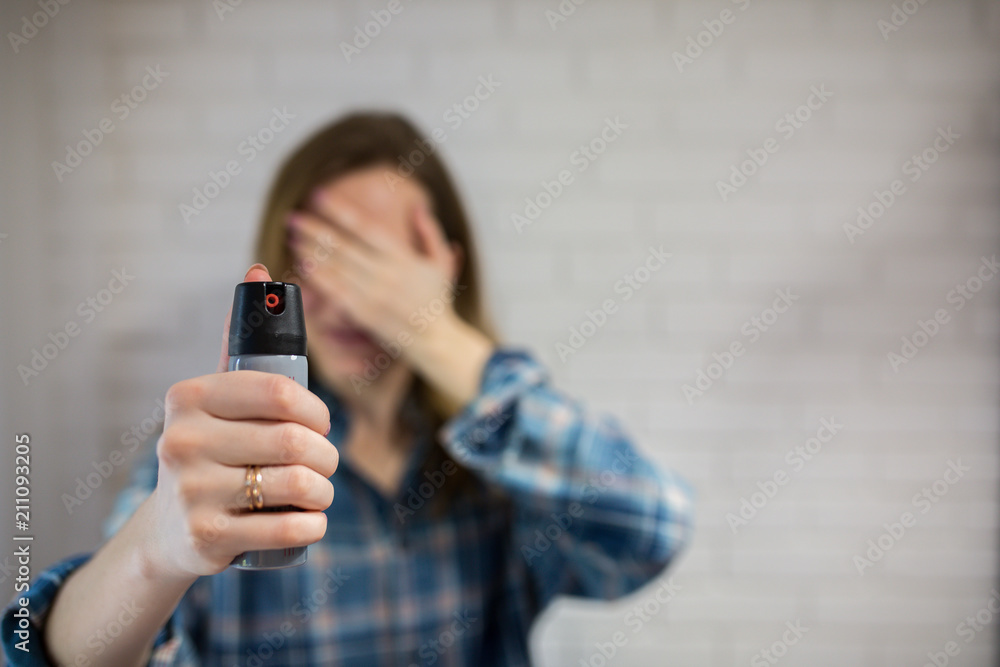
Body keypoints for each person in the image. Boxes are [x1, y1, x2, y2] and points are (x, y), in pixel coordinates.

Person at [2, 112, 693, 666]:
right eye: (326, 259)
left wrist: (438, 333)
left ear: (444, 269)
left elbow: (651, 532)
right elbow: (42, 654)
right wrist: (156, 549)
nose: (351, 301)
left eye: (380, 267)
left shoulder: (514, 459)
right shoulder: (220, 456)